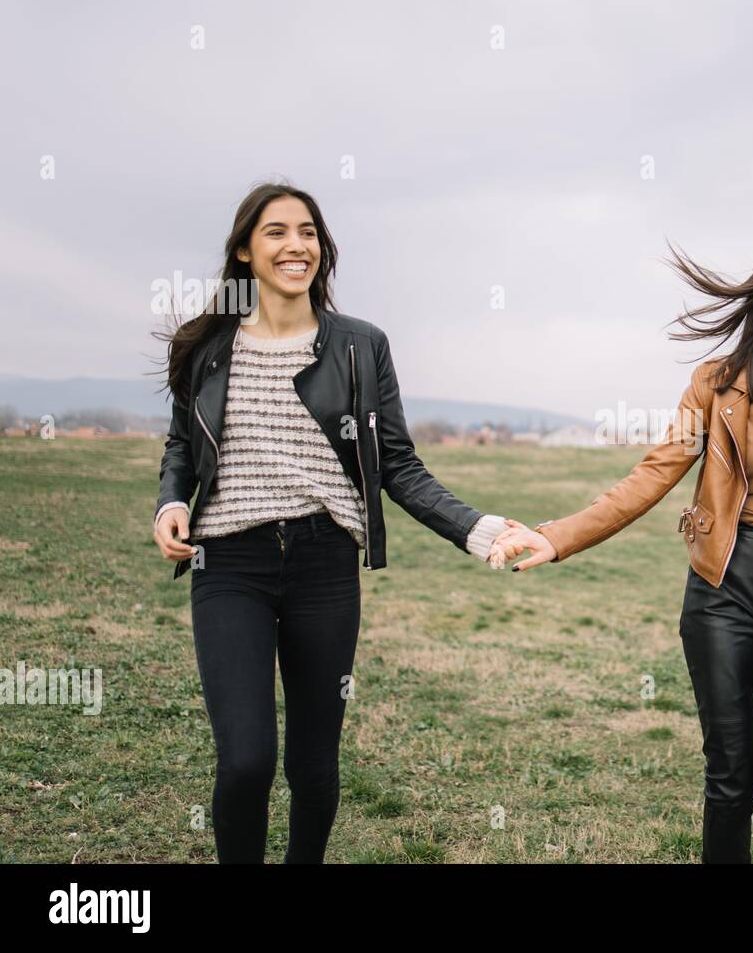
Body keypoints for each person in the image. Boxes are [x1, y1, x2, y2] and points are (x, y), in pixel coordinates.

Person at [493, 232, 753, 863]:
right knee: (728, 772)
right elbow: (654, 472)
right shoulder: (715, 382)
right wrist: (556, 536)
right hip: (724, 586)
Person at [151, 182, 511, 862]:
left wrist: (479, 529)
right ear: (244, 251)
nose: (296, 245)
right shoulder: (208, 346)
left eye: (308, 232)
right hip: (228, 564)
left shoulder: (359, 346)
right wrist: (171, 503)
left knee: (313, 768)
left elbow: (397, 465)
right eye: (277, 232)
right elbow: (181, 446)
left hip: (324, 565)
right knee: (247, 761)